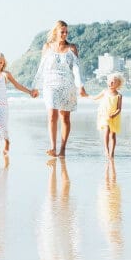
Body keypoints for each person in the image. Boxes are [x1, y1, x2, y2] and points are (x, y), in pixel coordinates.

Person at [32, 20, 88, 157]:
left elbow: (76, 69)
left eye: (66, 32)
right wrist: (35, 86)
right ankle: (52, 147)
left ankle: (62, 148)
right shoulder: (47, 47)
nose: (64, 34)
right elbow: (41, 68)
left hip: (67, 85)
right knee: (52, 114)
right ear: (56, 32)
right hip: (50, 85)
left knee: (65, 118)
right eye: (62, 31)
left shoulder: (72, 48)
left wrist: (80, 85)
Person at [0, 52, 39, 155]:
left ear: (3, 63)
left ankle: (7, 141)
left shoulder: (6, 74)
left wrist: (30, 92)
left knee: (3, 126)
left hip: (3, 105)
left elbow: (17, 85)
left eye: (1, 62)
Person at [92, 73, 123, 158]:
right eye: (110, 81)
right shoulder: (104, 92)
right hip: (104, 114)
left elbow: (119, 109)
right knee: (106, 129)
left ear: (118, 84)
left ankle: (112, 152)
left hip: (114, 116)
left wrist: (114, 115)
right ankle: (106, 148)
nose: (111, 83)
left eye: (114, 82)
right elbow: (95, 98)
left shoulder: (119, 95)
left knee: (113, 135)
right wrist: (85, 95)